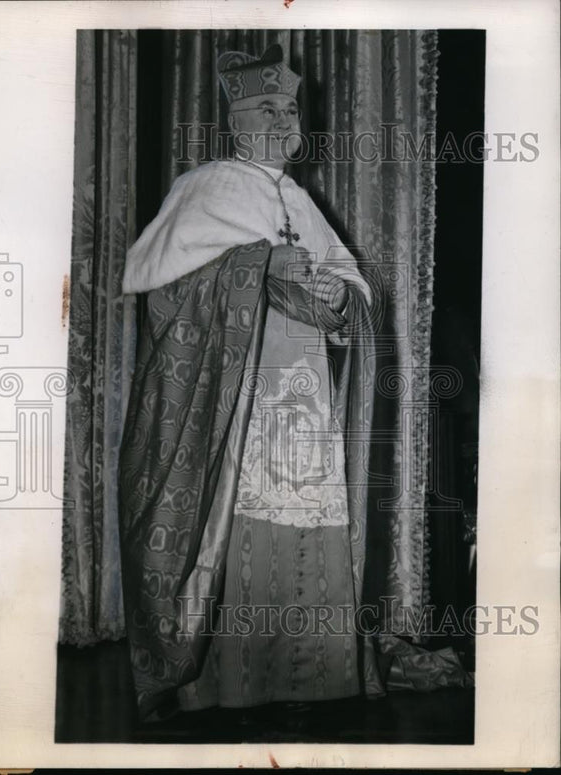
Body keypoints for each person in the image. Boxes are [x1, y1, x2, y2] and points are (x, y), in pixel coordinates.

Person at [119, 44, 378, 723]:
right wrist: (260, 267)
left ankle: (313, 679)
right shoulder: (205, 187)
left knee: (302, 519)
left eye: (291, 109)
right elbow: (159, 286)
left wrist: (337, 292)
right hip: (234, 397)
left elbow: (351, 286)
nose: (283, 122)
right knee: (233, 524)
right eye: (268, 109)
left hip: (303, 396)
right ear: (237, 118)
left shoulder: (299, 196)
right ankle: (220, 682)